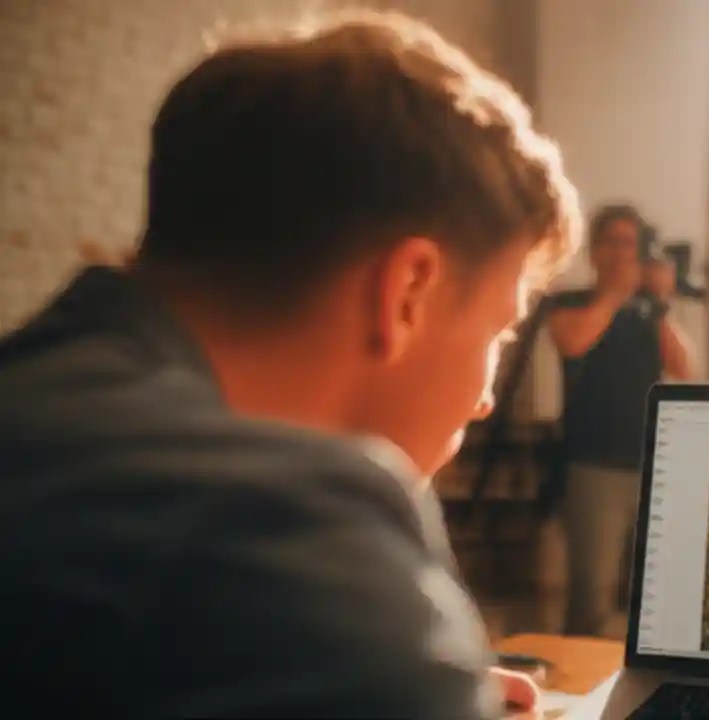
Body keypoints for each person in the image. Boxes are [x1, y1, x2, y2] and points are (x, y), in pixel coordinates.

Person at [0, 10, 579, 718]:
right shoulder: (286, 531)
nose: (487, 399)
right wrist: (389, 665)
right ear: (407, 293)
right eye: (498, 331)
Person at [548, 204, 691, 637]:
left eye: (629, 244)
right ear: (594, 251)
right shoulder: (570, 301)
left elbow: (685, 366)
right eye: (611, 243)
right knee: (591, 594)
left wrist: (661, 304)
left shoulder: (649, 312)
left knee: (651, 592)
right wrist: (616, 293)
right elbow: (573, 342)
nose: (620, 254)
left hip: (652, 463)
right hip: (594, 464)